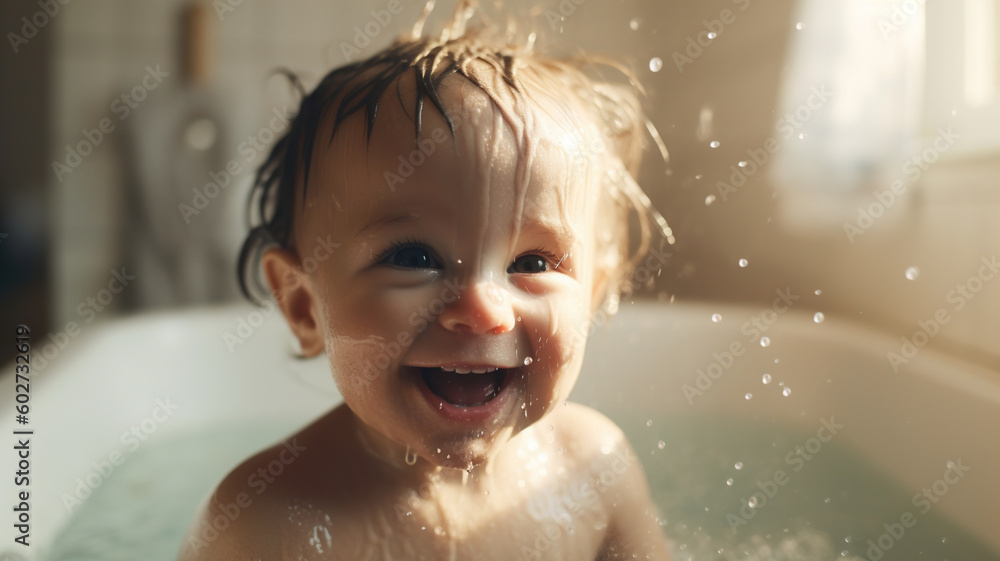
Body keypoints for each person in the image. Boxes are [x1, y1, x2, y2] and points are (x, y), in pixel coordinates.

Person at [179, 3, 674, 559]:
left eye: (533, 263)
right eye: (414, 257)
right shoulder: (270, 525)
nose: (484, 309)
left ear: (593, 296)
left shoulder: (595, 470)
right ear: (302, 305)